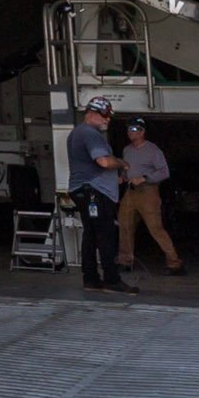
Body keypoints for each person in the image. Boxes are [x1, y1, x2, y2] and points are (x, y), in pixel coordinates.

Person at [64, 99, 131, 292]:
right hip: (94, 191)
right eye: (104, 115)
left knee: (91, 235)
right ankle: (111, 279)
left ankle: (91, 279)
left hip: (84, 190)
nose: (108, 119)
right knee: (106, 234)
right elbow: (103, 161)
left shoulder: (78, 133)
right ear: (91, 113)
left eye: (109, 115)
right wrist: (121, 163)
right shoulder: (89, 133)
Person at [113, 110, 185, 275]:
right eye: (129, 130)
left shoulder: (153, 150)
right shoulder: (127, 150)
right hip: (130, 192)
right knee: (124, 225)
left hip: (148, 192)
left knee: (155, 228)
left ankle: (174, 263)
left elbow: (164, 172)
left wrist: (145, 178)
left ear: (142, 132)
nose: (131, 133)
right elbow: (128, 170)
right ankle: (125, 261)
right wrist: (122, 177)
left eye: (134, 130)